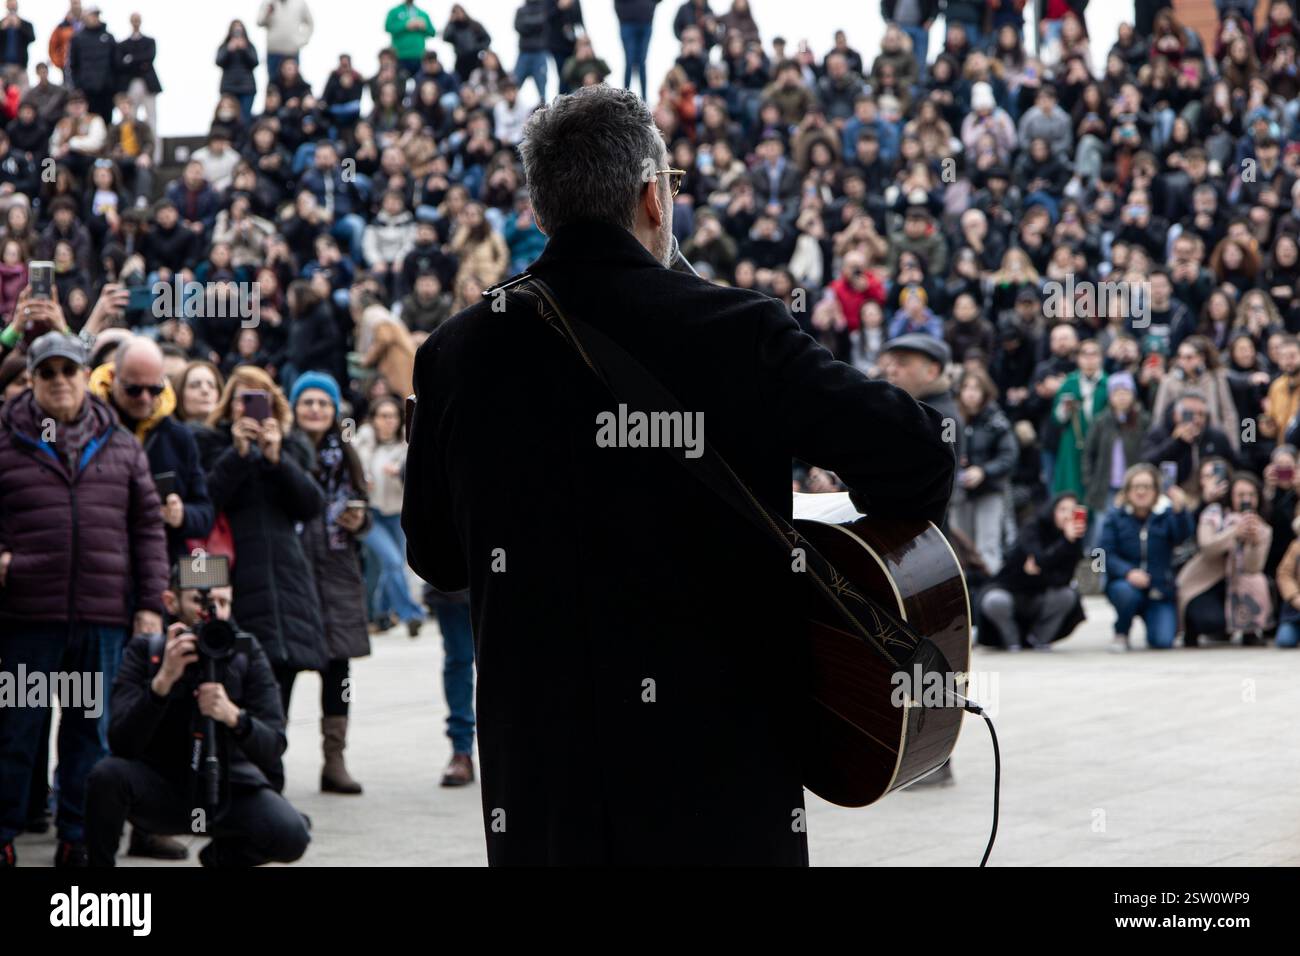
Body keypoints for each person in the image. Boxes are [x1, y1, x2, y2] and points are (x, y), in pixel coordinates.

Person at [402, 85, 954, 866]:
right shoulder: (739, 330)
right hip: (717, 781)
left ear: (538, 211)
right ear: (654, 196)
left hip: (543, 790)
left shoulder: (454, 353)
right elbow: (921, 458)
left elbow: (436, 556)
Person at [0, 330, 168, 868]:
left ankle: (77, 839)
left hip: (101, 617)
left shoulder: (117, 440)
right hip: (27, 616)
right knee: (16, 733)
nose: (58, 382)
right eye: (46, 372)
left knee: (87, 737)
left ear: (84, 375)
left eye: (67, 371)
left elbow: (147, 529)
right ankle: (3, 835)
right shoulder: (6, 437)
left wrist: (149, 604)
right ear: (32, 378)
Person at [84, 565, 311, 866]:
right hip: (163, 787)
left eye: (223, 603)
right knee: (106, 777)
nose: (212, 614)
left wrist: (234, 717)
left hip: (231, 788)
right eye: (200, 603)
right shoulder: (146, 651)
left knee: (291, 834)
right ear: (170, 602)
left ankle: (220, 858)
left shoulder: (246, 651)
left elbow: (274, 745)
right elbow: (120, 743)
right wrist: (161, 683)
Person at [195, 365, 327, 790]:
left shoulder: (290, 446)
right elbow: (207, 502)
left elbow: (311, 505)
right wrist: (238, 453)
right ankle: (232, 778)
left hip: (285, 579)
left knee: (278, 680)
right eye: (242, 398)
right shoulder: (208, 442)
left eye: (260, 398)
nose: (250, 408)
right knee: (231, 673)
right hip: (229, 574)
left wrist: (275, 458)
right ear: (229, 404)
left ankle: (269, 778)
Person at [289, 372, 371, 794]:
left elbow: (366, 509)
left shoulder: (348, 455)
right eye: (308, 403)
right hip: (292, 572)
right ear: (295, 408)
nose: (316, 410)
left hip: (337, 572)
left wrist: (359, 521)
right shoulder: (283, 451)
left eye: (324, 403)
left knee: (338, 670)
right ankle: (270, 759)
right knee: (281, 666)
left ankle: (334, 761)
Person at [90, 336, 215, 562]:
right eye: (134, 389)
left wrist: (181, 516)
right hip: (100, 561)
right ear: (113, 378)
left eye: (154, 389)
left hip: (161, 562)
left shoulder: (178, 436)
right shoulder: (88, 427)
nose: (145, 398)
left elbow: (205, 512)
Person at [1100, 463, 1195, 652]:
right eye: (1136, 487)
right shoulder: (1114, 518)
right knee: (1125, 593)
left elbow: (1184, 537)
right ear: (1127, 491)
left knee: (1162, 641)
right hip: (1126, 585)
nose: (1141, 492)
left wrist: (1181, 511)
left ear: (1156, 491)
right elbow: (1100, 555)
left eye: (1147, 487)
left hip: (1159, 589)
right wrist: (1127, 572)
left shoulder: (1166, 515)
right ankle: (1122, 631)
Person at [353, 393, 425, 635]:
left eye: (393, 416)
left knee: (387, 568)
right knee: (392, 561)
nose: (389, 421)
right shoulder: (361, 442)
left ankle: (380, 614)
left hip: (397, 514)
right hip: (371, 515)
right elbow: (353, 471)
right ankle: (411, 614)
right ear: (373, 419)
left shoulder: (407, 445)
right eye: (383, 416)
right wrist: (364, 480)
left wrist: (401, 474)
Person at [979, 492, 1086, 651]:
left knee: (1068, 595)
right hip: (1011, 592)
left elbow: (1063, 578)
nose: (1066, 516)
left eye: (1072, 511)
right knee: (994, 600)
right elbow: (1039, 558)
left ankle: (1039, 639)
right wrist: (1059, 549)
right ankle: (1011, 641)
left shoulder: (1072, 541)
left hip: (1041, 598)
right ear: (1052, 510)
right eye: (1062, 509)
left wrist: (1065, 545)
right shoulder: (1033, 528)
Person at [1177, 473, 1273, 646]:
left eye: (1251, 495)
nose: (1247, 500)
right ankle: (1193, 628)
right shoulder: (1214, 514)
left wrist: (1252, 542)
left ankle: (1249, 630)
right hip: (1206, 582)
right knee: (1211, 622)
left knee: (1257, 581)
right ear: (1230, 496)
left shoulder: (1262, 527)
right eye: (1241, 495)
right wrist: (1234, 532)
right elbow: (1207, 547)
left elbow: (1253, 568)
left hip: (1239, 585)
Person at [952, 366, 1016, 574]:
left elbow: (1009, 456)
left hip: (989, 490)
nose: (970, 393)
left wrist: (983, 471)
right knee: (960, 547)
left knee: (987, 545)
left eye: (976, 388)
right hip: (959, 492)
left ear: (984, 393)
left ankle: (989, 594)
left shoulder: (996, 420)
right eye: (966, 387)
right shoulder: (951, 418)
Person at [66, 4, 116, 123]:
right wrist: (78, 86)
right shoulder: (77, 39)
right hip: (86, 90)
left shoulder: (108, 37)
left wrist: (113, 85)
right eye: (92, 15)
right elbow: (73, 65)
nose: (95, 18)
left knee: (106, 122)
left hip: (106, 90)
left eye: (97, 15)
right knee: (89, 122)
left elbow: (115, 63)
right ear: (85, 17)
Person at [257, 0, 314, 84]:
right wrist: (267, 13)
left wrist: (303, 40)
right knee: (273, 84)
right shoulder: (268, 3)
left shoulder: (300, 3)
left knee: (293, 84)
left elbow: (310, 23)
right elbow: (259, 22)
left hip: (292, 51)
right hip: (273, 51)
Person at [616, 0, 662, 100]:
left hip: (645, 23)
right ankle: (624, 97)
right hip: (627, 23)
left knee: (642, 62)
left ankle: (644, 99)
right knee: (629, 61)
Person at [385, 0, 435, 80]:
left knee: (421, 83)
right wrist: (406, 24)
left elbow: (432, 32)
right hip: (401, 56)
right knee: (401, 83)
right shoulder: (394, 12)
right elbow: (388, 27)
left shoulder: (422, 13)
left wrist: (424, 27)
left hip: (419, 56)